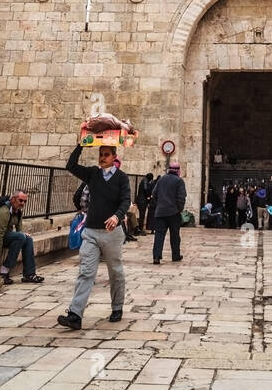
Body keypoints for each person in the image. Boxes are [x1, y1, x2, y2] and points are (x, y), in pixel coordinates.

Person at [58, 141, 131, 329]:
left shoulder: (122, 178)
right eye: (101, 154)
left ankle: (117, 307)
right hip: (90, 232)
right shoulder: (93, 174)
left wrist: (117, 216)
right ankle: (75, 315)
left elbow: (125, 201)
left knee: (115, 271)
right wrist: (80, 145)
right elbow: (71, 166)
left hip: (112, 233)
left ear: (114, 157)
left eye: (106, 154)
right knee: (86, 272)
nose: (102, 157)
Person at [0, 190, 44, 285]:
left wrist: (22, 235)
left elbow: (19, 230)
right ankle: (4, 271)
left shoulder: (18, 211)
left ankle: (29, 274)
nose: (23, 203)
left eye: (25, 201)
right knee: (21, 237)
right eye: (20, 200)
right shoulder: (3, 212)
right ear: (13, 199)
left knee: (28, 239)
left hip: (6, 235)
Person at [149, 162, 186, 264]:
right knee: (175, 235)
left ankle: (156, 257)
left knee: (159, 235)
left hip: (160, 212)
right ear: (178, 170)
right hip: (173, 213)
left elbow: (154, 193)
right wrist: (179, 209)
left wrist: (159, 205)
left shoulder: (161, 179)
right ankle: (175, 255)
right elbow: (181, 197)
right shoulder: (179, 181)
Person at [135, 172, 154, 237]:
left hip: (140, 200)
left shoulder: (143, 180)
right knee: (142, 216)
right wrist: (149, 196)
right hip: (142, 201)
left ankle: (140, 228)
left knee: (142, 215)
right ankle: (140, 229)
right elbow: (146, 189)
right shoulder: (145, 181)